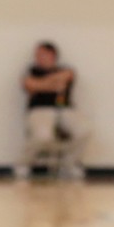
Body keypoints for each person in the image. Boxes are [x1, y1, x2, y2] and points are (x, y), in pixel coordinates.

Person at [17, 41, 84, 180]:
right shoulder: (31, 71)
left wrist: (42, 84)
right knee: (43, 136)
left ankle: (69, 163)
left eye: (42, 54)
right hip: (40, 110)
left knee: (85, 130)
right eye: (37, 55)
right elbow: (29, 84)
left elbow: (68, 76)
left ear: (52, 55)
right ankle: (24, 163)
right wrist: (52, 84)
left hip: (65, 109)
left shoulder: (65, 69)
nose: (38, 57)